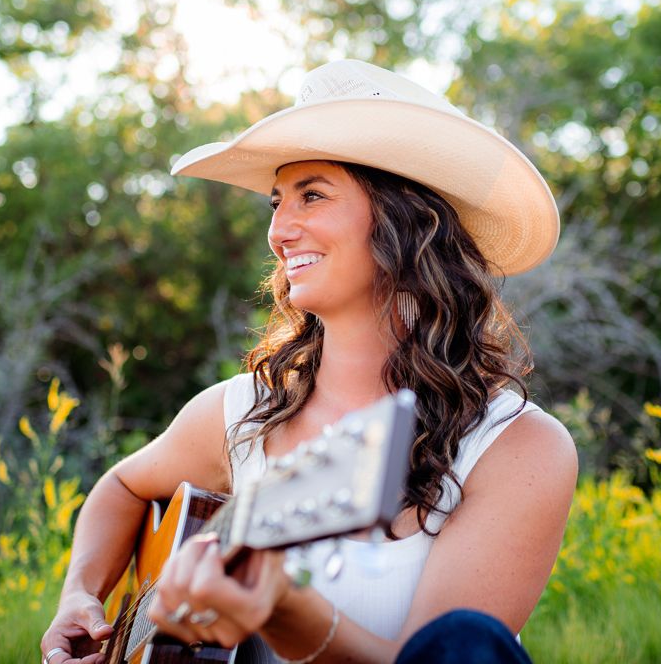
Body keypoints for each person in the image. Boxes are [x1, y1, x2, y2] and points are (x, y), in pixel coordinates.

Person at [40, 59, 578, 664]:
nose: (278, 230)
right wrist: (80, 595)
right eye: (276, 202)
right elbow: (123, 486)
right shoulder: (242, 412)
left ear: (409, 223)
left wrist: (283, 609)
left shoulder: (516, 447)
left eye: (312, 195)